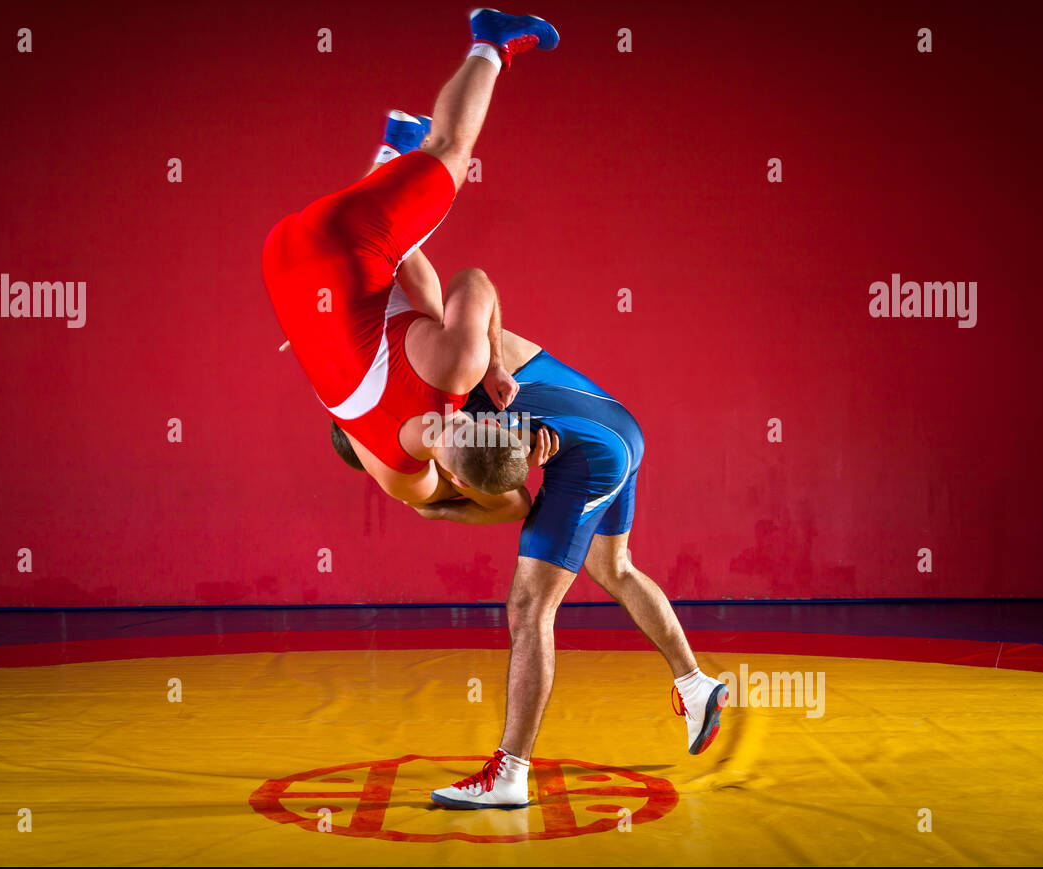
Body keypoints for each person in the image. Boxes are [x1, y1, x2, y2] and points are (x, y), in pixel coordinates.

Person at [328, 327, 731, 810]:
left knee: (528, 607)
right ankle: (695, 685)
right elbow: (478, 303)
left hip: (589, 457)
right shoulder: (426, 351)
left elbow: (514, 504)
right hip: (619, 427)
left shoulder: (426, 430)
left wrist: (437, 509)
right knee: (614, 567)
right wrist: (498, 366)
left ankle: (511, 773)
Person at [262, 9, 561, 512]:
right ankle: (390, 155)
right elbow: (492, 507)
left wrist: (491, 367)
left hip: (339, 239)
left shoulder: (459, 370)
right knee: (412, 306)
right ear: (452, 477)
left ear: (489, 421)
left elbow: (474, 280)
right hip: (283, 269)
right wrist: (492, 468)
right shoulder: (397, 476)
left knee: (450, 149)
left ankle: (491, 42)